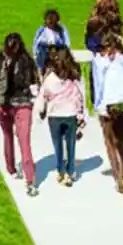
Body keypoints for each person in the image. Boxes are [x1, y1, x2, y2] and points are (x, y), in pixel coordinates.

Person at [0, 32, 39, 197]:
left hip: (9, 105)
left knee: (11, 137)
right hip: (19, 105)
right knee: (22, 141)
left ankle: (15, 171)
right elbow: (35, 83)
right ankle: (27, 179)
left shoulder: (2, 60)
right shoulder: (27, 61)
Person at [92, 33, 123, 201]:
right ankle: (122, 175)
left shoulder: (100, 62)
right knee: (119, 140)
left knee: (111, 140)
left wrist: (99, 106)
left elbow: (99, 85)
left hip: (110, 104)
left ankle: (120, 177)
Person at [37, 46, 86, 187]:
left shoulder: (50, 78)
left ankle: (60, 171)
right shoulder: (74, 77)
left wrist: (41, 110)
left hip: (55, 116)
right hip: (71, 114)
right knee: (71, 145)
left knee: (58, 145)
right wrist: (82, 114)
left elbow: (43, 95)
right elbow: (80, 96)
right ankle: (70, 172)